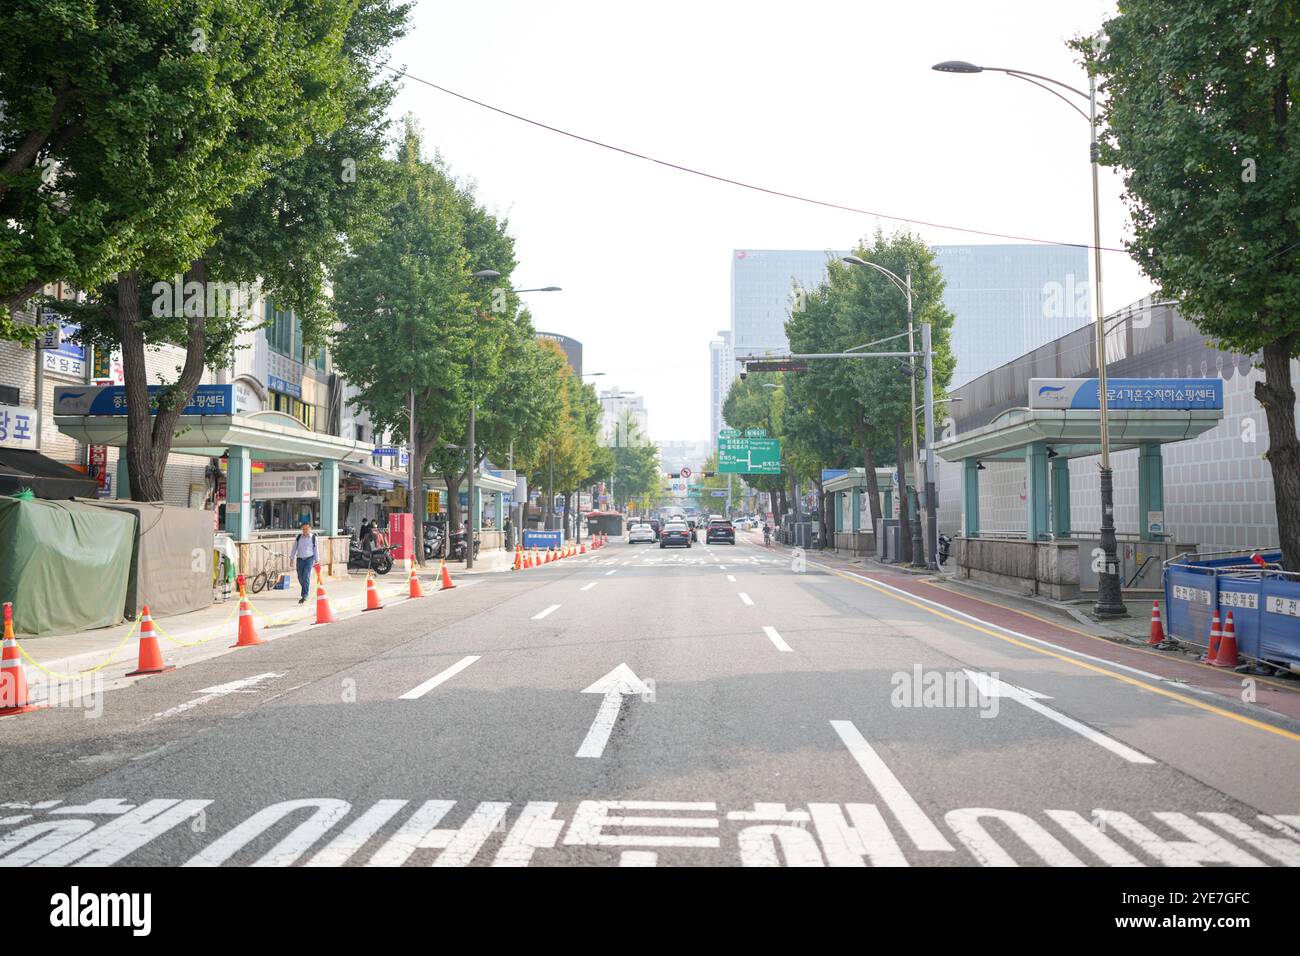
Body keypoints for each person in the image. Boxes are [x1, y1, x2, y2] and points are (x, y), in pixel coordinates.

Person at [290, 522, 318, 604]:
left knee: (306, 576)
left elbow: (316, 549)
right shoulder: (299, 537)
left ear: (310, 529)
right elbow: (294, 548)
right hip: (299, 559)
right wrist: (291, 559)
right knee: (300, 576)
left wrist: (317, 560)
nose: (305, 530)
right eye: (303, 529)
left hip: (309, 559)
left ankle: (304, 595)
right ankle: (306, 587)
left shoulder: (313, 537)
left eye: (306, 529)